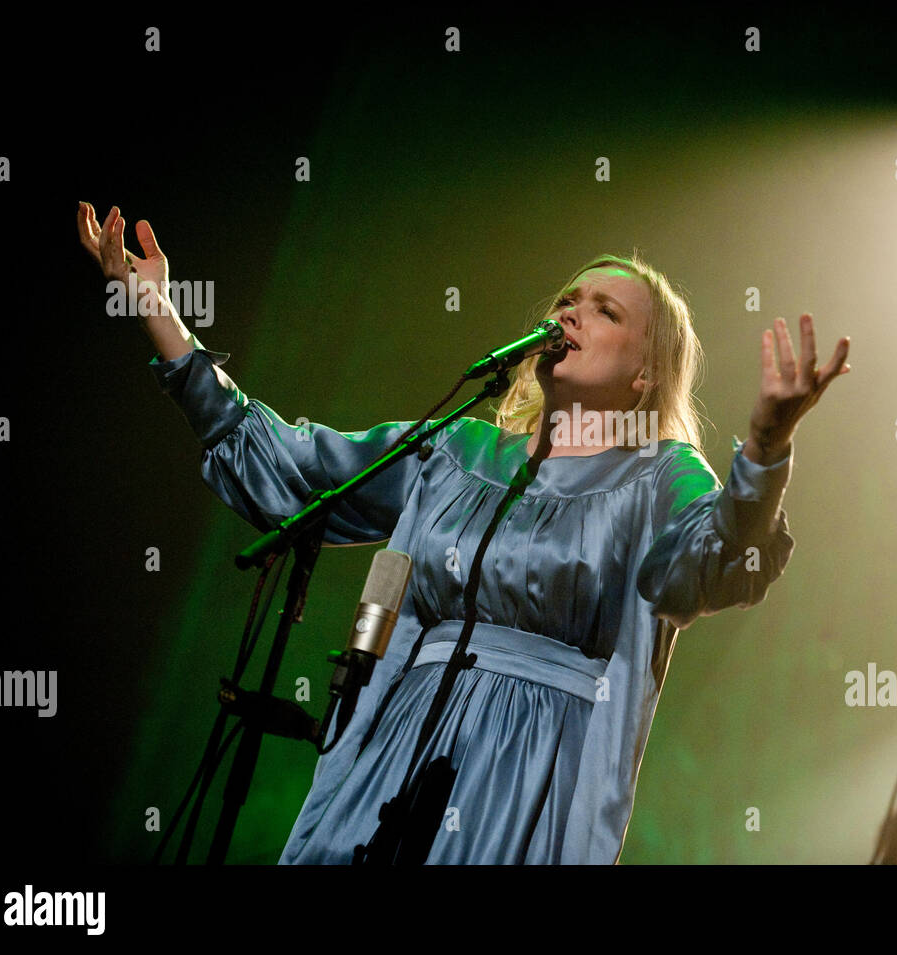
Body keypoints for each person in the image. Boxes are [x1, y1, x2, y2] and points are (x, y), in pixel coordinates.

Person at [78, 201, 852, 864]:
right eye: (568, 298)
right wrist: (159, 311)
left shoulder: (659, 474)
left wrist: (766, 447)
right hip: (399, 741)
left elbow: (720, 559)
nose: (570, 312)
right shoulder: (460, 450)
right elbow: (299, 467)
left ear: (646, 374)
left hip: (530, 769)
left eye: (605, 310)